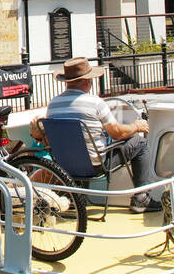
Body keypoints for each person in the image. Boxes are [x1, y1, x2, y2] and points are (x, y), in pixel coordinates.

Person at [44, 56, 156, 213]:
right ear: (87, 81)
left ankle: (77, 198)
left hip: (65, 166)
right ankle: (141, 199)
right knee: (140, 143)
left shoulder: (53, 104)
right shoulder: (95, 103)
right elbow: (116, 133)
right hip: (95, 166)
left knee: (81, 146)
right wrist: (137, 126)